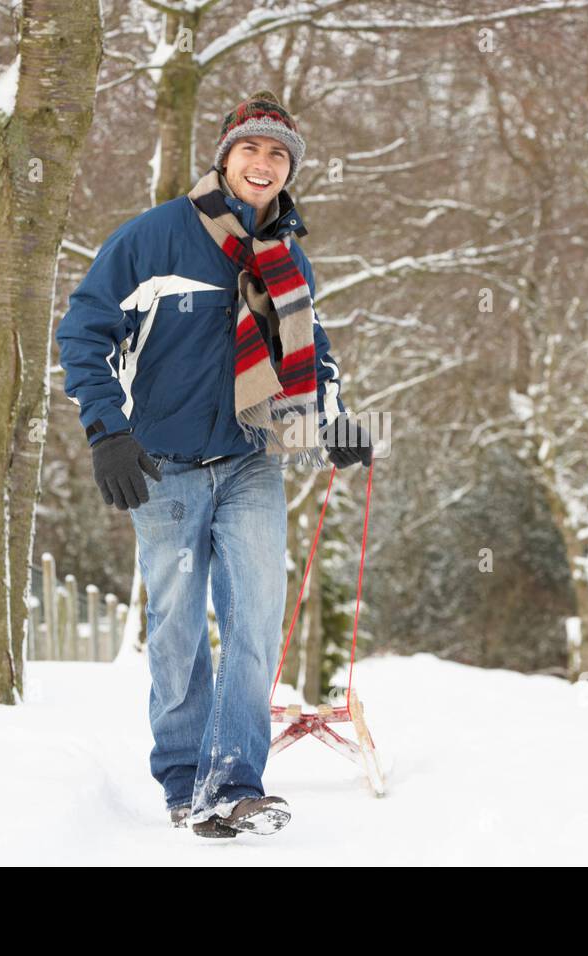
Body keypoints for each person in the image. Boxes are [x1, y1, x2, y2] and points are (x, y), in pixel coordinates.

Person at [55, 90, 374, 838]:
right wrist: (107, 430)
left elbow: (312, 354)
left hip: (251, 458)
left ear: (288, 170)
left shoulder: (288, 258)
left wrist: (331, 424)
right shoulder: (157, 237)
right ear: (224, 158)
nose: (263, 164)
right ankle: (181, 777)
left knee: (255, 614)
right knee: (174, 625)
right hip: (162, 464)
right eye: (250, 150)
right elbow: (83, 330)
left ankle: (235, 782)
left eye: (278, 155)